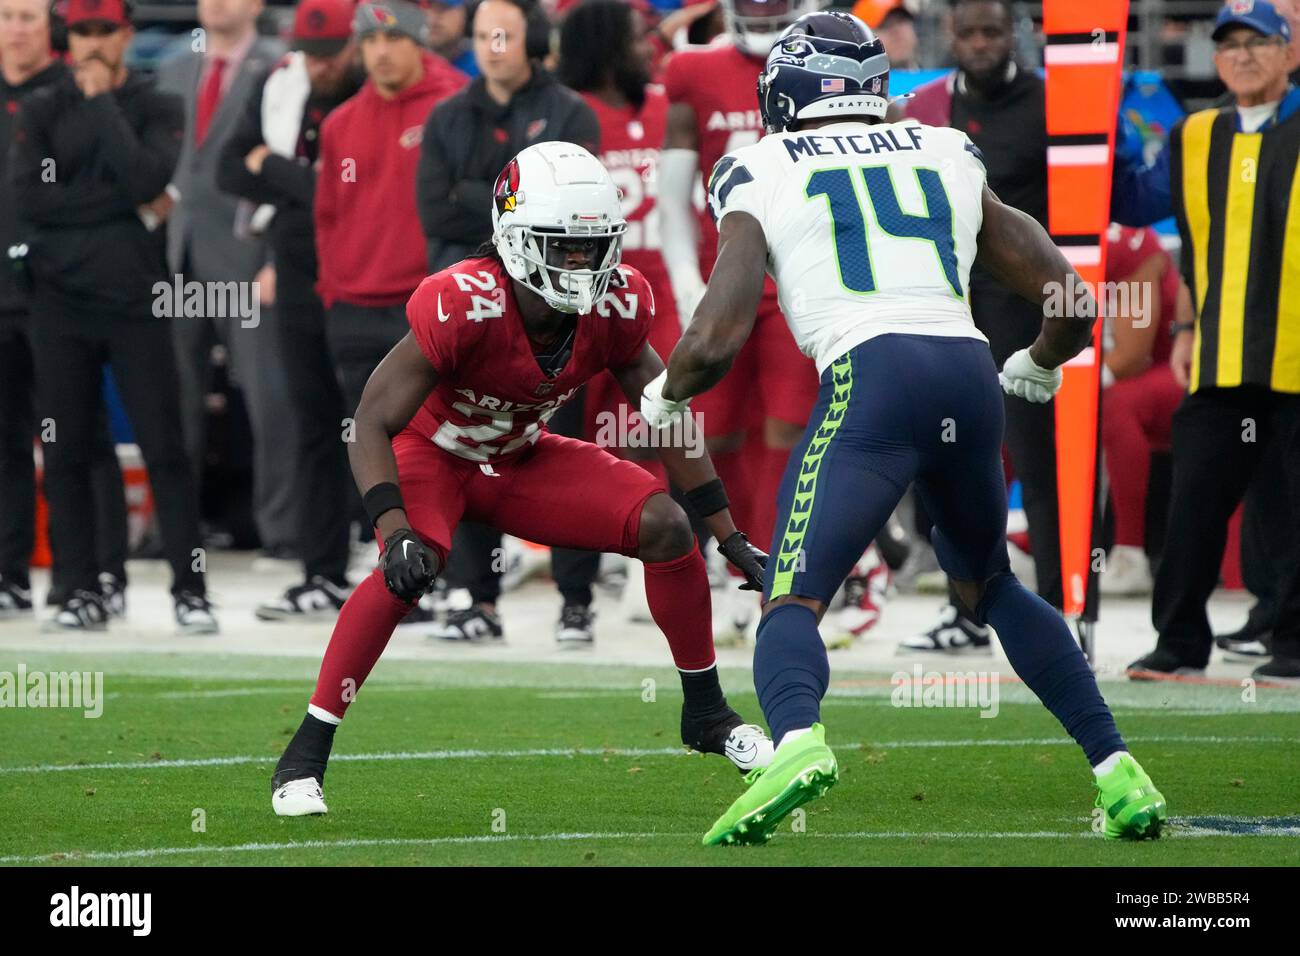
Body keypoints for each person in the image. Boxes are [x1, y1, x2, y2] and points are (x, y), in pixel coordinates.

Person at [643, 11, 1167, 845]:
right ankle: (1116, 768)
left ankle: (798, 742)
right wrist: (1036, 363)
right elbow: (1071, 297)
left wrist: (665, 398)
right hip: (966, 369)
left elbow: (716, 335)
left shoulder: (757, 164)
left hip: (871, 378)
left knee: (792, 598)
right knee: (990, 584)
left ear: (786, 91)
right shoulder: (944, 146)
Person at [270, 142, 774, 816]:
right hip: (434, 456)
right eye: (561, 246)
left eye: (591, 246)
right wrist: (392, 531)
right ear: (514, 239)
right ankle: (304, 754)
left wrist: (728, 534)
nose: (579, 262)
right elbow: (368, 419)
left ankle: (707, 714)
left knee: (664, 526)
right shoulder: (464, 300)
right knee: (411, 569)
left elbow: (667, 415)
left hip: (519, 458)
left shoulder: (615, 305)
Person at [9, 0, 216, 632]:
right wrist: (122, 208)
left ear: (126, 36)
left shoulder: (158, 103)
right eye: (83, 32)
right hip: (58, 304)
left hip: (137, 304)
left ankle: (190, 588)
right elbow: (31, 201)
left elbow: (145, 173)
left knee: (165, 447)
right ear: (69, 39)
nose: (94, 44)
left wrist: (100, 109)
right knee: (66, 449)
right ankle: (78, 588)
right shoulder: (42, 107)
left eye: (105, 32)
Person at [417, 0, 604, 643]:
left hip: (556, 309)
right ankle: (479, 599)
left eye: (506, 33)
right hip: (476, 313)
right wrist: (517, 209)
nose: (493, 45)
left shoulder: (573, 112)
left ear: (535, 39)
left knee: (571, 446)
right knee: (467, 448)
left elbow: (579, 215)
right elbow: (432, 215)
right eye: (482, 34)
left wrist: (478, 193)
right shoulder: (446, 116)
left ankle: (575, 599)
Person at [1124, 1, 1300, 684]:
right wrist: (1186, 327)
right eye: (1230, 44)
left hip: (1291, 358)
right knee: (1193, 504)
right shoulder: (1194, 135)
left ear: (1289, 52)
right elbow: (1191, 244)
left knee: (1289, 513)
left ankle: (1291, 643)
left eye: (1260, 42)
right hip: (1221, 355)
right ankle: (1178, 644)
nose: (1244, 55)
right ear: (1215, 58)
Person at [893, 0, 1062, 655]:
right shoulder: (925, 111)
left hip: (1029, 317)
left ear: (1013, 34)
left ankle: (1059, 609)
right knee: (955, 465)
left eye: (994, 31)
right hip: (952, 314)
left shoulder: (1050, 105)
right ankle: (965, 613)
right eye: (970, 32)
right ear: (951, 36)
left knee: (1041, 468)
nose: (982, 43)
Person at [659, 0, 826, 644]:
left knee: (791, 430)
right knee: (714, 435)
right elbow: (673, 195)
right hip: (720, 278)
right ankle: (725, 557)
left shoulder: (824, 63)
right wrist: (683, 286)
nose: (762, 10)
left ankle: (781, 570)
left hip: (794, 280)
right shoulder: (694, 70)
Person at [216, 0, 365, 621]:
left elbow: (347, 190)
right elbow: (228, 166)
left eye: (332, 54)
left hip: (367, 276)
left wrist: (275, 168)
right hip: (301, 276)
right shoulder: (280, 86)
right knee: (312, 423)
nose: (322, 67)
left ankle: (405, 569)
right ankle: (321, 571)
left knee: (384, 426)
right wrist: (304, 179)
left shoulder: (372, 92)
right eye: (313, 54)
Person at [158, 0, 296, 558]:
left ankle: (285, 532)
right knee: (173, 401)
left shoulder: (281, 67)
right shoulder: (172, 66)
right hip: (179, 256)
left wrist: (275, 259)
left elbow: (287, 163)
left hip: (249, 259)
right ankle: (175, 533)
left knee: (271, 398)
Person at [1098, 224, 1185, 597]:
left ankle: (1130, 553)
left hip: (1176, 367)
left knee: (1117, 403)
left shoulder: (1129, 243)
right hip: (1129, 369)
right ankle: (1019, 542)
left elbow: (1133, 356)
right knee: (1017, 398)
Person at [423, 0, 477, 77]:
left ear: (465, 14)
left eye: (443, 9)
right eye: (429, 8)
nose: (433, 18)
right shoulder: (412, 65)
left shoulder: (483, 65)